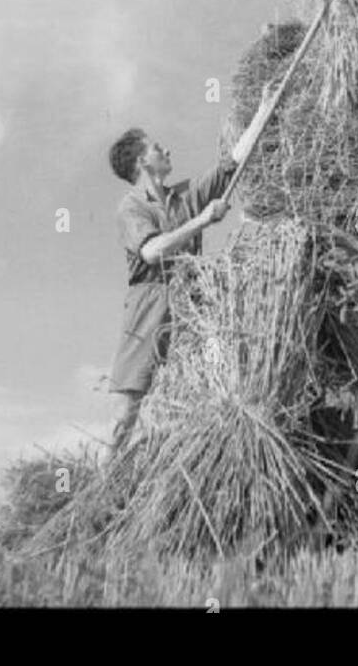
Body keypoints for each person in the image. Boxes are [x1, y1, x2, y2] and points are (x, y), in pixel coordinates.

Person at [106, 81, 280, 452]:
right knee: (128, 409)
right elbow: (152, 252)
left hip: (192, 301)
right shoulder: (132, 208)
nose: (165, 149)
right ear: (141, 162)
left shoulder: (185, 195)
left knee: (214, 379)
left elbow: (232, 164)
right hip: (149, 306)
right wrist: (202, 221)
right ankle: (104, 488)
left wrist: (265, 107)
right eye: (156, 148)